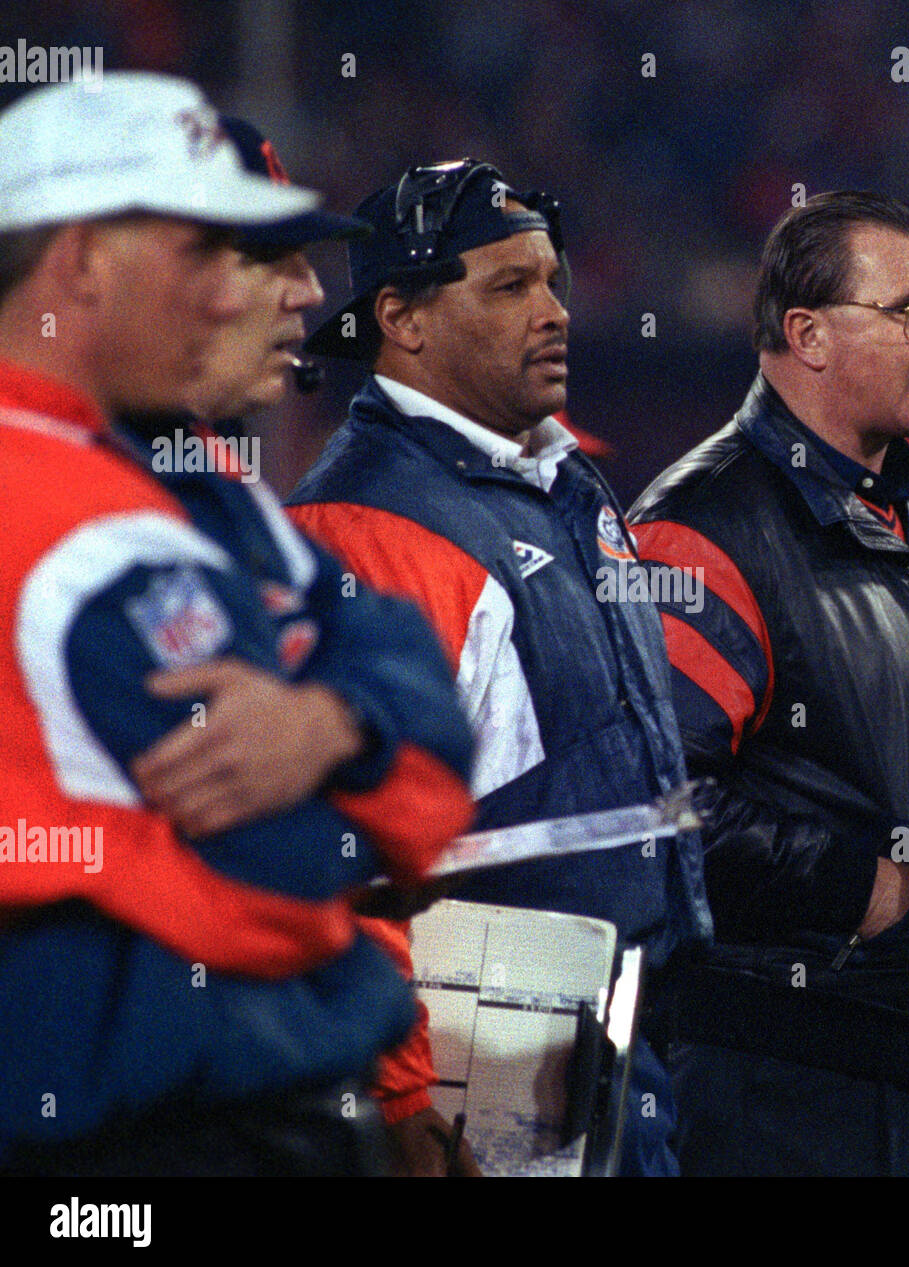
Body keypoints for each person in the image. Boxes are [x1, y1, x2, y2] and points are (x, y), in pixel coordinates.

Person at [0, 73, 476, 1176]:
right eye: (205, 254)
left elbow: (415, 704)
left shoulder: (184, 479)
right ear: (80, 264)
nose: (245, 295)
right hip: (146, 1142)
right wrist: (369, 773)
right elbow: (294, 873)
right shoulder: (77, 524)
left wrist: (338, 726)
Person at [284, 159, 711, 1176]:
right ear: (404, 317)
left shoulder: (559, 479)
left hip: (607, 1034)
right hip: (478, 1057)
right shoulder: (371, 525)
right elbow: (338, 850)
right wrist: (399, 1086)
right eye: (509, 286)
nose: (555, 311)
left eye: (553, 280)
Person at [626, 191, 909, 1176]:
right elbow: (656, 804)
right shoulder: (703, 526)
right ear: (808, 334)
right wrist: (856, 889)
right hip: (795, 1094)